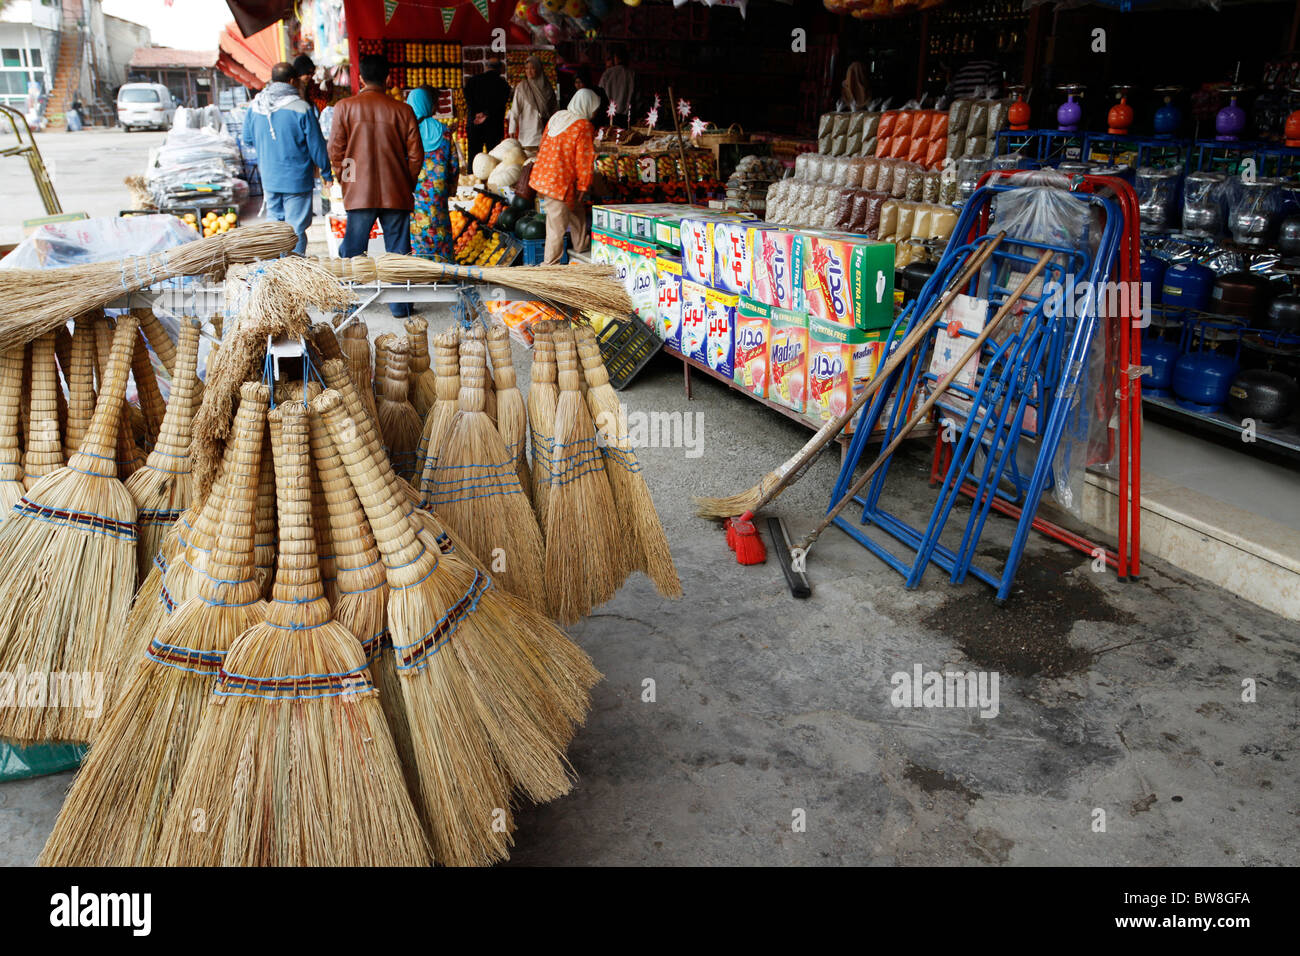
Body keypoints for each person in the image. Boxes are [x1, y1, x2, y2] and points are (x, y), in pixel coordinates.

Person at [327, 54, 423, 316]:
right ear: (388, 79)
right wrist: (406, 183)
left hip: (359, 194)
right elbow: (416, 156)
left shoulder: (344, 107)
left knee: (353, 251)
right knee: (398, 254)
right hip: (397, 193)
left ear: (359, 79)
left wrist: (348, 183)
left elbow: (337, 152)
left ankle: (349, 304)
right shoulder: (403, 110)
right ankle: (400, 308)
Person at [243, 62, 332, 255]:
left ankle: (274, 269)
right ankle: (292, 273)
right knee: (295, 229)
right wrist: (327, 173)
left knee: (275, 226)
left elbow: (247, 140)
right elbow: (317, 146)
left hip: (269, 178)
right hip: (297, 180)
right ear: (292, 81)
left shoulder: (256, 106)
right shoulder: (301, 108)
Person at [529, 88, 599, 264]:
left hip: (544, 176)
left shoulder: (557, 117)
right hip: (560, 182)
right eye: (595, 107)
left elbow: (543, 143)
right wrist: (584, 185)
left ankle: (581, 244)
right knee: (556, 226)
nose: (596, 111)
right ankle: (550, 265)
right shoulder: (583, 125)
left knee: (576, 210)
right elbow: (584, 159)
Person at [406, 85, 458, 262]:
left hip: (412, 197)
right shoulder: (444, 132)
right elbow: (453, 166)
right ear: (430, 104)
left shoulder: (406, 132)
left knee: (415, 232)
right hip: (437, 197)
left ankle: (420, 269)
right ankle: (443, 270)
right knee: (439, 231)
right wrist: (450, 189)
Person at [464, 57, 511, 162]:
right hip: (494, 127)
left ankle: (472, 177)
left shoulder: (472, 81)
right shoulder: (503, 85)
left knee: (474, 158)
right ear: (500, 69)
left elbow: (468, 98)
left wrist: (478, 113)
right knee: (495, 158)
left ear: (485, 67)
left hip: (475, 124)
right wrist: (486, 113)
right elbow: (500, 104)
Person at [507, 55, 557, 152]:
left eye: (532, 68)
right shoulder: (522, 87)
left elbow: (554, 111)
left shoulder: (548, 88)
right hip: (528, 137)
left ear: (538, 69)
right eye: (526, 68)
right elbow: (515, 110)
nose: (529, 71)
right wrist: (512, 129)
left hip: (545, 135)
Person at [600, 45, 634, 124]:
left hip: (609, 114)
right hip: (626, 116)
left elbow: (600, 92)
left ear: (616, 58)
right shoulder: (632, 74)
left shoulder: (608, 73)